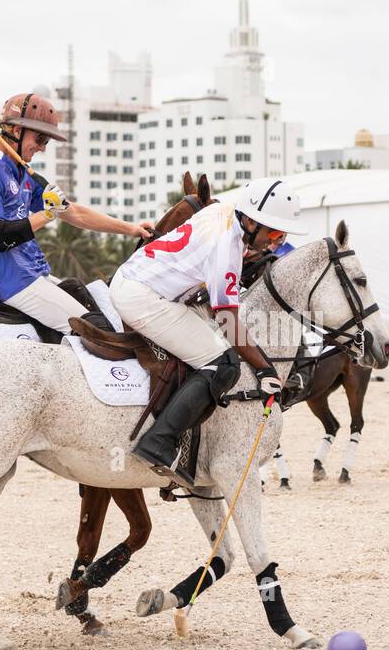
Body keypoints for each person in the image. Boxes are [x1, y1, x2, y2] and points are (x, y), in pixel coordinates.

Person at [110, 176, 309, 485]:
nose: (276, 241)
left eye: (281, 236)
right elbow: (227, 318)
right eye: (274, 232)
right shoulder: (227, 246)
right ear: (253, 222)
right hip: (143, 298)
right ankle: (158, 442)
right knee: (224, 363)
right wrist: (264, 368)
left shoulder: (223, 210)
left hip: (138, 279)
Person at [0, 91, 153, 335]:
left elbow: (75, 213)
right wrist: (48, 215)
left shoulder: (22, 173)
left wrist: (131, 229)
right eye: (39, 139)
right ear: (16, 131)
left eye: (46, 142)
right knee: (96, 330)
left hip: (36, 274)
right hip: (13, 283)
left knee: (101, 309)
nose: (41, 148)